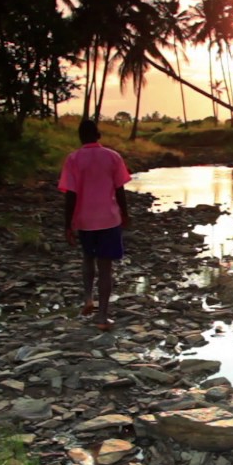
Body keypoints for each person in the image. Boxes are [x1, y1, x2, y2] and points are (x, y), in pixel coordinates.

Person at [59, 119, 131, 328]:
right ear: (98, 135)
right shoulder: (112, 157)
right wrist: (125, 214)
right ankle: (102, 316)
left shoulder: (73, 159)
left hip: (84, 219)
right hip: (108, 219)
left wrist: (67, 224)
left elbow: (70, 194)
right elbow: (119, 189)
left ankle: (88, 297)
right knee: (105, 268)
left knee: (88, 257)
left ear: (80, 137)